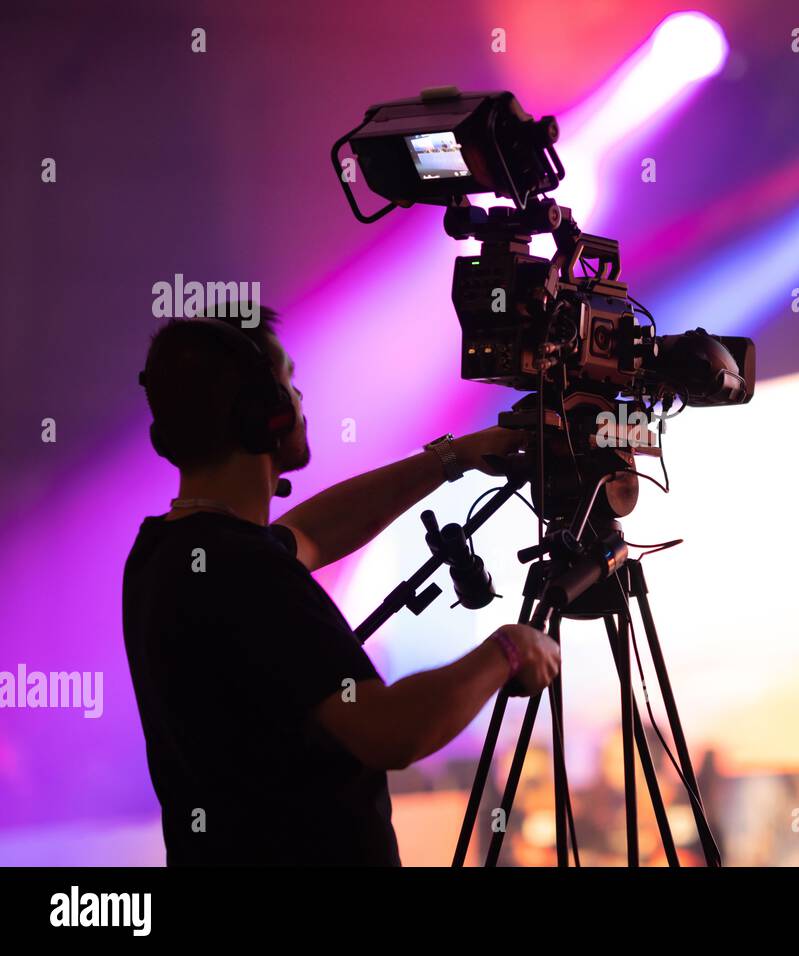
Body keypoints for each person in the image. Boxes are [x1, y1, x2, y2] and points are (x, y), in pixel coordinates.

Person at [122, 307, 559, 865]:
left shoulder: (168, 551)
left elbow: (310, 532)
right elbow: (391, 730)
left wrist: (457, 456)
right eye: (288, 383)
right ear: (263, 413)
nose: (299, 399)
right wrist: (509, 649)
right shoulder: (245, 571)